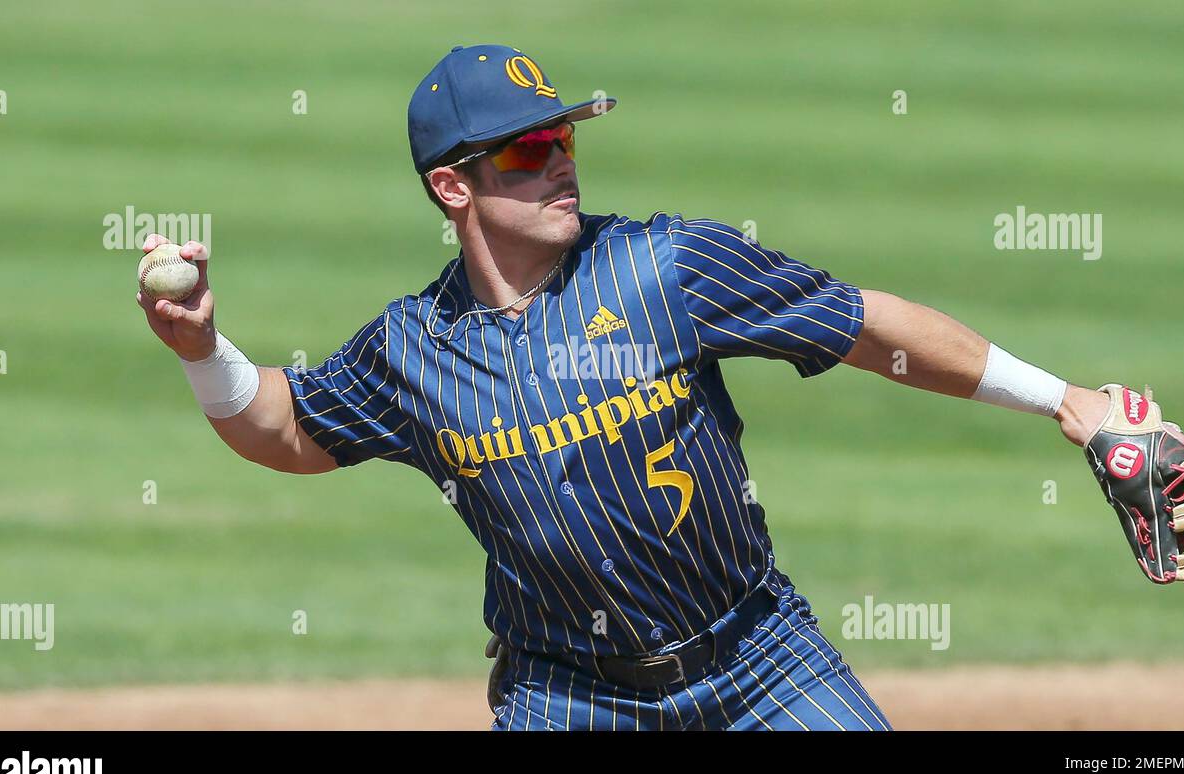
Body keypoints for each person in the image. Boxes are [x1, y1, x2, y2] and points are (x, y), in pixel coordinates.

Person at [135, 44, 1111, 730]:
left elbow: (868, 325)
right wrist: (200, 347)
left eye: (562, 136)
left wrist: (1062, 397)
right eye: (525, 150)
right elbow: (284, 427)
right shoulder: (410, 348)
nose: (558, 159)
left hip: (758, 661)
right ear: (451, 187)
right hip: (568, 698)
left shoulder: (668, 268)